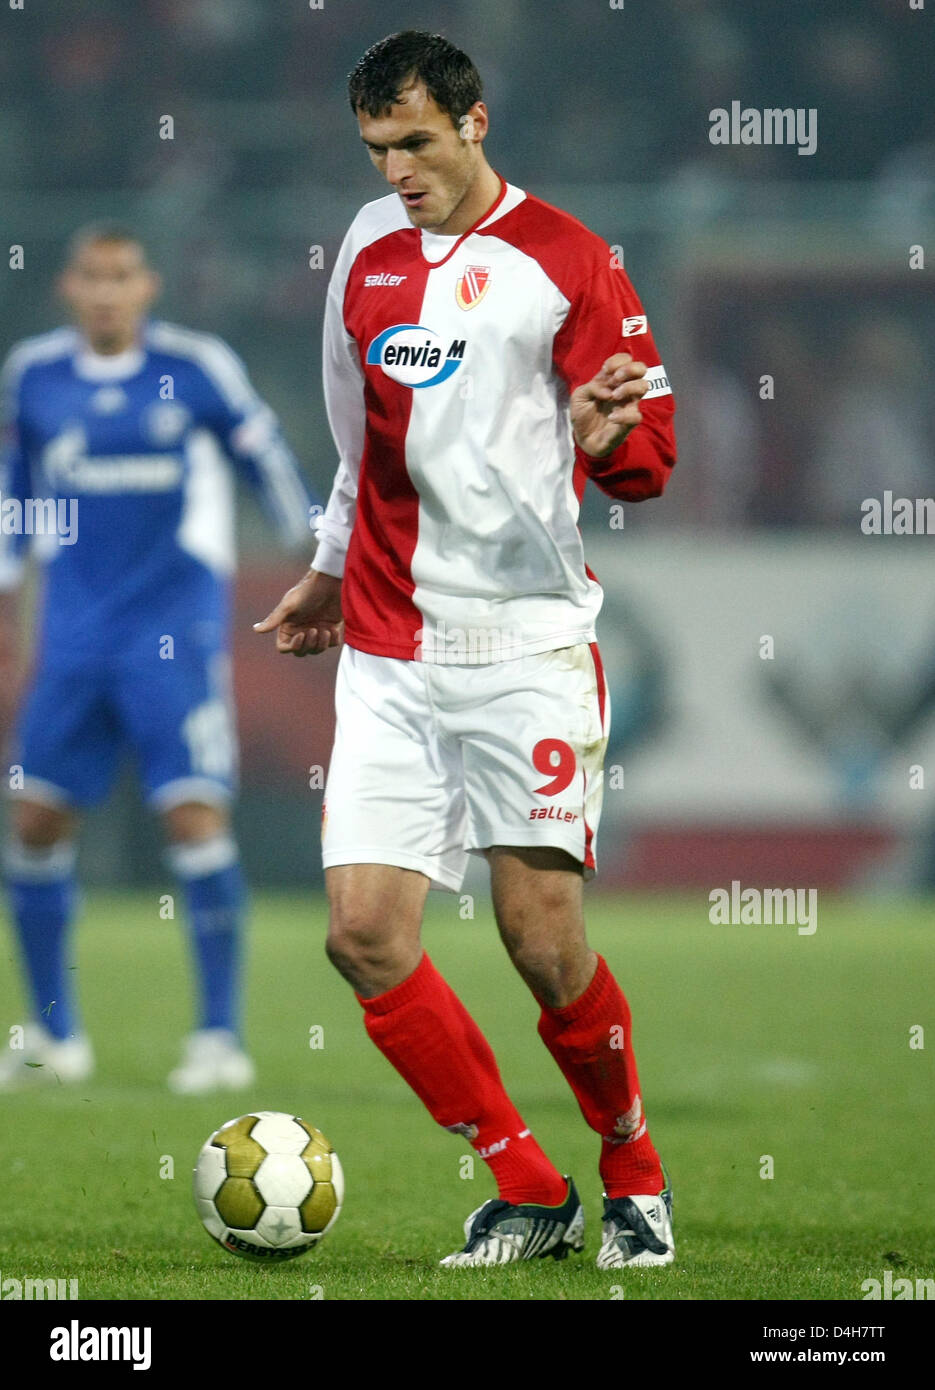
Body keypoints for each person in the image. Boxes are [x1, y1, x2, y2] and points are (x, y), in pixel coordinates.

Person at [256, 31, 677, 1268]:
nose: (397, 169)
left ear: (475, 123)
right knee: (363, 935)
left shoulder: (566, 259)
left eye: (418, 143)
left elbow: (647, 460)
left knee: (540, 940)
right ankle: (527, 1184)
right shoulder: (365, 256)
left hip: (524, 645)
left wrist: (603, 439)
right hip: (388, 646)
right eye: (378, 148)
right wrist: (333, 568)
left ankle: (634, 1177)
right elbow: (355, 439)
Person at [0, 226, 313, 1094]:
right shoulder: (35, 375)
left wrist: (315, 554)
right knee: (33, 822)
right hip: (69, 638)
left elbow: (265, 457)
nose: (106, 292)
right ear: (69, 287)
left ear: (149, 287)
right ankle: (54, 1036)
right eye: (92, 278)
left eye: (122, 277)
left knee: (191, 815)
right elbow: (14, 492)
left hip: (170, 637)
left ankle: (218, 1037)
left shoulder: (196, 366)